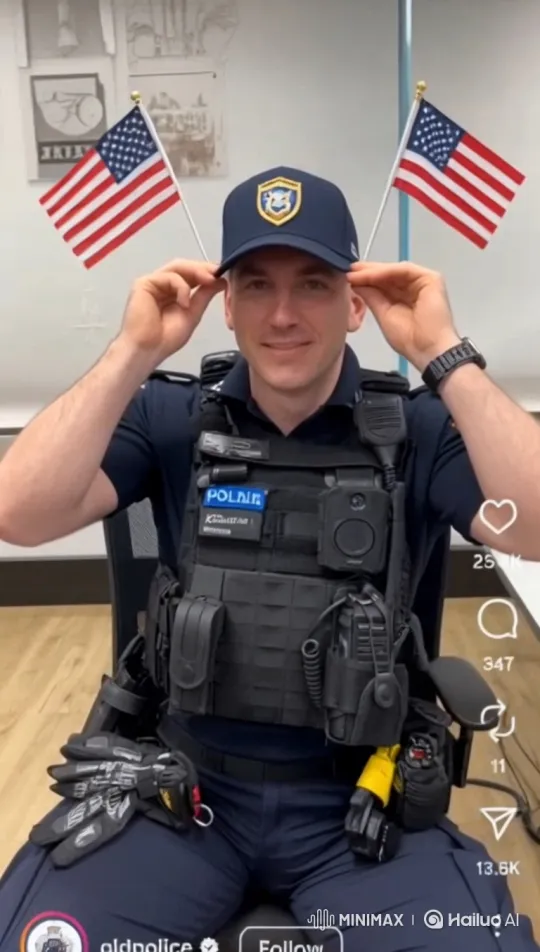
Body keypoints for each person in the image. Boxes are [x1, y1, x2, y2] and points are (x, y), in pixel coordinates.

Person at [1, 165, 539, 952]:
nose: (283, 315)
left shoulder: (418, 432)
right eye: (255, 285)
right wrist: (132, 349)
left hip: (362, 811)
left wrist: (442, 351)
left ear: (355, 303)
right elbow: (19, 512)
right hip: (183, 800)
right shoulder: (173, 418)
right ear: (226, 304)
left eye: (314, 285)